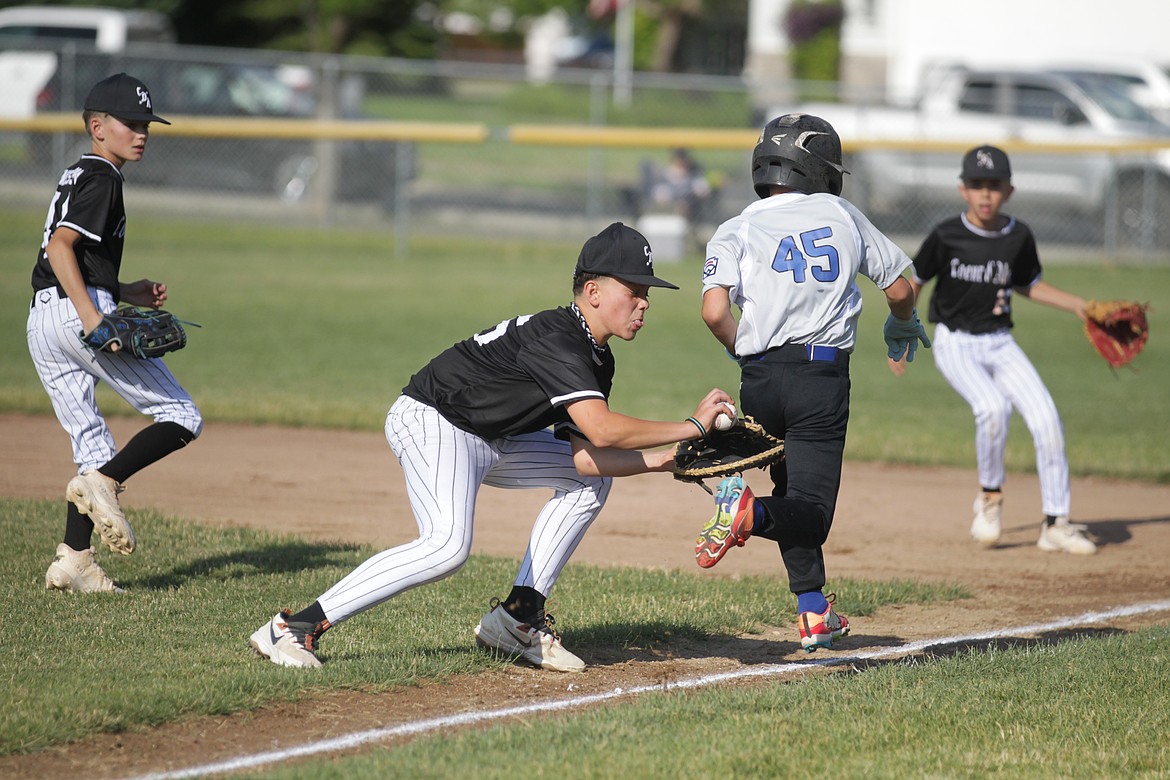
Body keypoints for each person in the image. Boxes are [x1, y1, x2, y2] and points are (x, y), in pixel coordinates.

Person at [249, 222, 735, 672]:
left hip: (490, 437)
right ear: (593, 291)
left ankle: (518, 620)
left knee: (587, 481)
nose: (644, 303)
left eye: (647, 293)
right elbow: (603, 430)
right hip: (434, 420)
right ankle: (293, 628)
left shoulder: (595, 354)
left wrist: (663, 460)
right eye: (634, 291)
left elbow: (589, 457)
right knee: (446, 546)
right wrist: (691, 426)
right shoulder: (560, 339)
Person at [693, 113, 929, 652]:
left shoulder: (735, 226)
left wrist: (744, 351)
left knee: (790, 495)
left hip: (760, 378)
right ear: (822, 169)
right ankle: (747, 513)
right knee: (810, 511)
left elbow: (712, 310)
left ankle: (814, 609)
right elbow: (899, 287)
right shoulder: (840, 213)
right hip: (819, 378)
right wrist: (901, 322)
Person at [28, 73, 202, 594]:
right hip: (77, 316)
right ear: (98, 127)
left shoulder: (80, 173)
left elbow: (71, 257)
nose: (142, 132)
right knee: (181, 416)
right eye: (131, 123)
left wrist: (125, 291)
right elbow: (60, 248)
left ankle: (75, 558)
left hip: (41, 320)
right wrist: (93, 317)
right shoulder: (104, 176)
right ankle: (106, 482)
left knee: (90, 441)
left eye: (146, 124)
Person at [904, 144, 1097, 555]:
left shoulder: (1018, 236)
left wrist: (1079, 305)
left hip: (1000, 341)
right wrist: (902, 329)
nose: (985, 193)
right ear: (963, 190)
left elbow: (1028, 283)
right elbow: (915, 281)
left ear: (1009, 190)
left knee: (1046, 418)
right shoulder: (946, 234)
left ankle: (1055, 524)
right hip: (955, 342)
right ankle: (990, 500)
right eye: (977, 185)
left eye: (994, 185)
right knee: (993, 408)